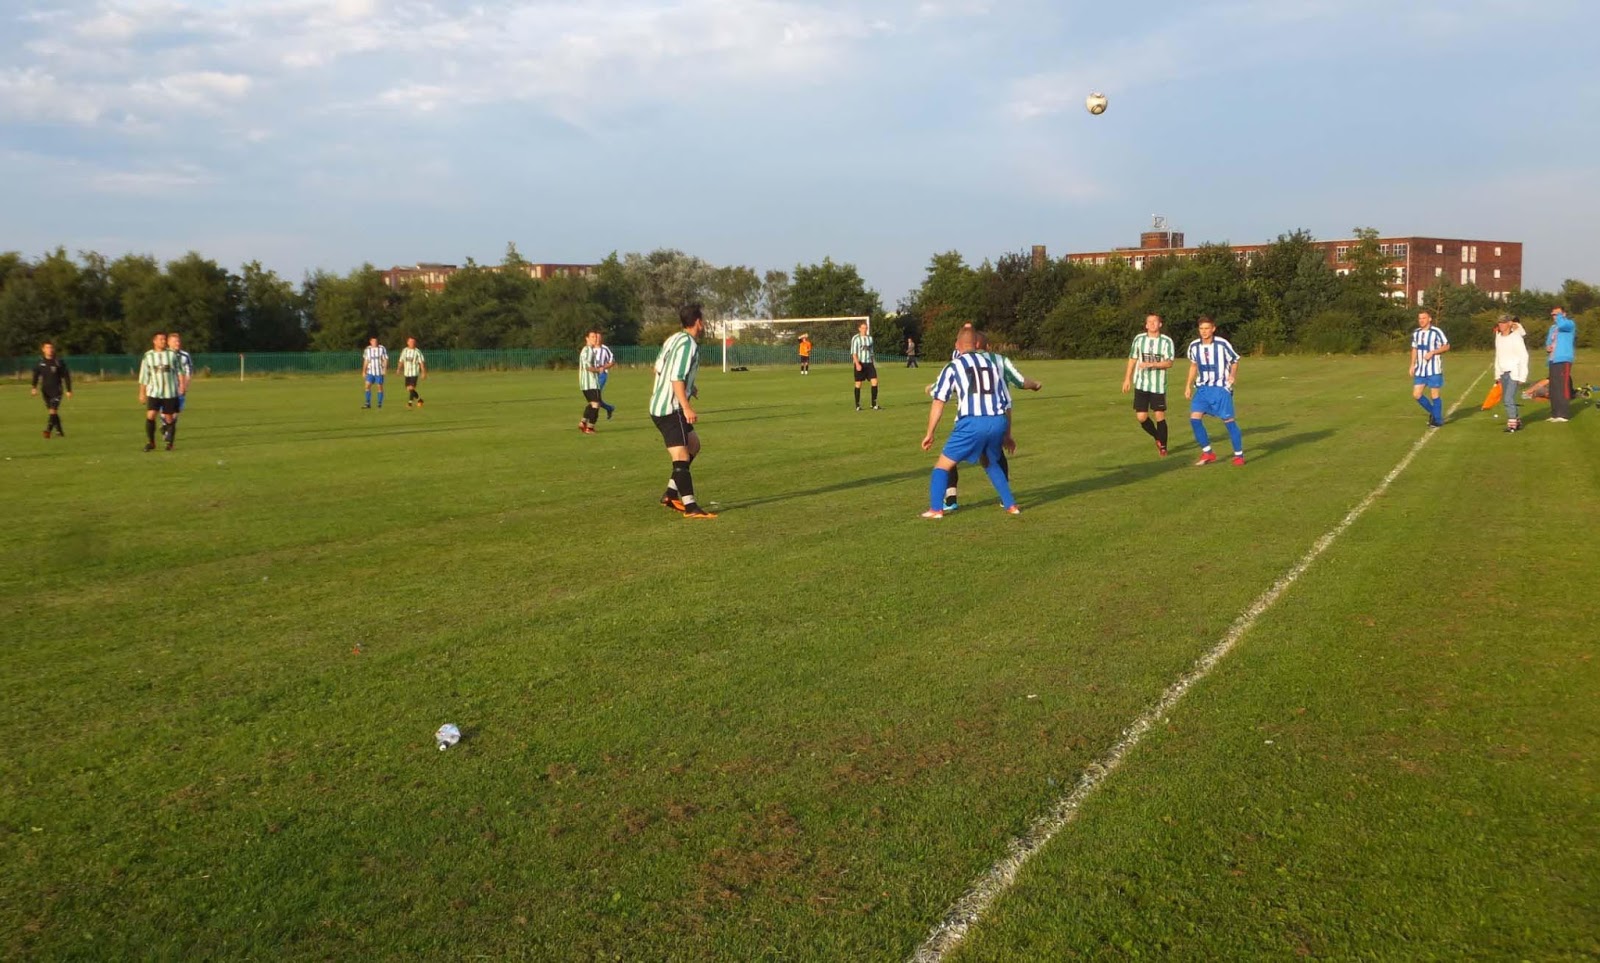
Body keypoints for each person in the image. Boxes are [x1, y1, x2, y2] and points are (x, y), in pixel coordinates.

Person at [921, 328, 1019, 518]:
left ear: (957, 346)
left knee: (942, 466)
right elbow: (1006, 401)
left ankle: (936, 509)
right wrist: (1007, 433)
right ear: (976, 344)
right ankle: (1011, 505)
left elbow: (939, 401)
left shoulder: (954, 366)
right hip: (997, 420)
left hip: (972, 423)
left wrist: (930, 433)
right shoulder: (993, 364)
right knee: (990, 462)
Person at [939, 331, 1041, 511]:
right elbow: (1020, 381)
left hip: (969, 418)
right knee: (994, 456)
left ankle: (950, 498)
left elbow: (951, 382)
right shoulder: (998, 361)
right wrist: (1035, 385)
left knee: (950, 456)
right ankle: (1006, 499)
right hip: (997, 414)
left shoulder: (961, 360)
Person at [649, 304, 716, 518]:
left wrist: (689, 388)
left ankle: (670, 494)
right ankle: (690, 507)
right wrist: (686, 406)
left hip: (664, 403)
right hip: (671, 408)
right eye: (702, 320)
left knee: (693, 445)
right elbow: (676, 376)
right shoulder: (688, 345)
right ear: (698, 321)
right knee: (681, 454)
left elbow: (658, 368)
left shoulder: (673, 339)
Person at [1184, 317, 1245, 466]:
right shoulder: (1194, 346)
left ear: (1213, 328)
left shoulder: (1222, 344)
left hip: (1220, 388)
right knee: (1194, 419)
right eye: (1201, 329)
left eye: (1207, 328)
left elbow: (1234, 360)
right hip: (1202, 389)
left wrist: (1232, 375)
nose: (1204, 331)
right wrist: (1188, 385)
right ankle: (1208, 452)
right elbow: (1193, 365)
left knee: (1228, 421)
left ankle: (1239, 455)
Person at [1121, 313, 1176, 457]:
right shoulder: (1139, 339)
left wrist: (1153, 364)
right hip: (1141, 384)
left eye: (1155, 321)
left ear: (1160, 324)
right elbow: (1132, 359)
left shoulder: (1166, 341)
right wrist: (1127, 378)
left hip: (1157, 385)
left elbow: (1169, 362)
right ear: (1146, 325)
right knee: (1141, 417)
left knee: (1159, 415)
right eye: (1149, 322)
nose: (1152, 324)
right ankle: (1158, 437)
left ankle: (1163, 446)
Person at [138, 331, 185, 451]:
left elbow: (180, 371)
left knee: (169, 418)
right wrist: (142, 393)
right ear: (154, 341)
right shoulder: (148, 356)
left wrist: (182, 385)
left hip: (170, 392)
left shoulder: (172, 355)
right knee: (151, 415)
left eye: (164, 339)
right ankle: (151, 442)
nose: (163, 341)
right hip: (154, 392)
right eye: (161, 339)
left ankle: (170, 443)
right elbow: (144, 376)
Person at [1409, 310, 1450, 428]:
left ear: (1429, 319)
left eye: (1424, 318)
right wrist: (1412, 364)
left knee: (1434, 394)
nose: (1421, 320)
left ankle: (1437, 421)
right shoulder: (1416, 332)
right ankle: (1435, 414)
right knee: (1416, 394)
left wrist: (1433, 352)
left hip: (1434, 369)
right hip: (1420, 369)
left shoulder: (1436, 331)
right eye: (1419, 318)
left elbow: (1447, 346)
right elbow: (1414, 349)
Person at [1493, 315, 1528, 432]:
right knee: (1506, 398)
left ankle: (1512, 424)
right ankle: (1516, 421)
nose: (1501, 325)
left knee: (1508, 398)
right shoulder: (1498, 337)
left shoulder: (1516, 337)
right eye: (1499, 323)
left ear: (1509, 323)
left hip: (1514, 372)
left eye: (1503, 323)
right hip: (1503, 372)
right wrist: (1497, 374)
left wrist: (1523, 376)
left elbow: (1524, 356)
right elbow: (1498, 356)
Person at [31, 341, 72, 438]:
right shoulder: (40, 363)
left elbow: (66, 376)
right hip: (45, 390)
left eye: (51, 348)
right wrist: (34, 387)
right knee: (52, 412)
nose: (50, 350)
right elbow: (36, 375)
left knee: (53, 410)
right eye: (47, 348)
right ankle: (60, 432)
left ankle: (48, 430)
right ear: (43, 349)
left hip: (57, 390)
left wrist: (69, 390)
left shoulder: (58, 362)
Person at [1546, 306, 1577, 423]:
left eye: (1557, 314)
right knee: (1553, 387)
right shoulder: (1553, 328)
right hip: (1553, 359)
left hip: (1563, 359)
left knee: (1562, 387)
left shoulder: (1569, 324)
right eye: (1553, 315)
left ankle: (1563, 414)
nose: (1555, 317)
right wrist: (1548, 347)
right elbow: (1549, 341)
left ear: (1563, 314)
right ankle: (1555, 413)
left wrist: (1560, 316)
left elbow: (1563, 325)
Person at [578, 330, 604, 433]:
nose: (595, 339)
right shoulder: (588, 350)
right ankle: (590, 427)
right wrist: (598, 370)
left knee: (593, 403)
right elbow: (588, 367)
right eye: (592, 337)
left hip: (585, 384)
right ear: (587, 338)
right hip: (591, 383)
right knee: (596, 405)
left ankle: (583, 422)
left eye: (596, 337)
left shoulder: (587, 350)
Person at [850, 321, 880, 410]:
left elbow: (871, 352)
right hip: (860, 363)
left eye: (866, 328)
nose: (864, 330)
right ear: (859, 329)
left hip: (869, 364)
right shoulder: (856, 339)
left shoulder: (870, 339)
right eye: (863, 328)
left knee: (875, 382)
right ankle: (857, 405)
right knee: (858, 384)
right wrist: (857, 364)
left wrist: (872, 362)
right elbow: (854, 353)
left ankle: (874, 404)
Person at [397, 337, 427, 408]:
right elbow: (401, 360)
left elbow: (421, 363)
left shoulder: (417, 351)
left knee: (411, 388)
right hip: (407, 373)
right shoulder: (405, 351)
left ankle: (409, 403)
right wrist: (399, 369)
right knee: (409, 389)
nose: (412, 343)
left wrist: (423, 372)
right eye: (410, 342)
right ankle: (420, 400)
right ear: (407, 343)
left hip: (414, 373)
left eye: (413, 342)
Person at [593, 332, 617, 418]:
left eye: (599, 337)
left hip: (602, 375)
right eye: (596, 337)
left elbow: (612, 361)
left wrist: (603, 367)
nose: (598, 339)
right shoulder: (590, 348)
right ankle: (609, 408)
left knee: (595, 396)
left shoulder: (605, 349)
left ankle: (592, 417)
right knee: (595, 398)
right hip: (592, 375)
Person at [361, 337, 388, 408]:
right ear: (370, 342)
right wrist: (364, 371)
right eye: (373, 341)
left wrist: (384, 369)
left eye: (376, 341)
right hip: (370, 371)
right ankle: (367, 403)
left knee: (379, 386)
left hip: (379, 372)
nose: (375, 342)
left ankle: (379, 403)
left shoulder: (382, 348)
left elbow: (385, 359)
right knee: (367, 385)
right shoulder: (367, 349)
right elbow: (366, 361)